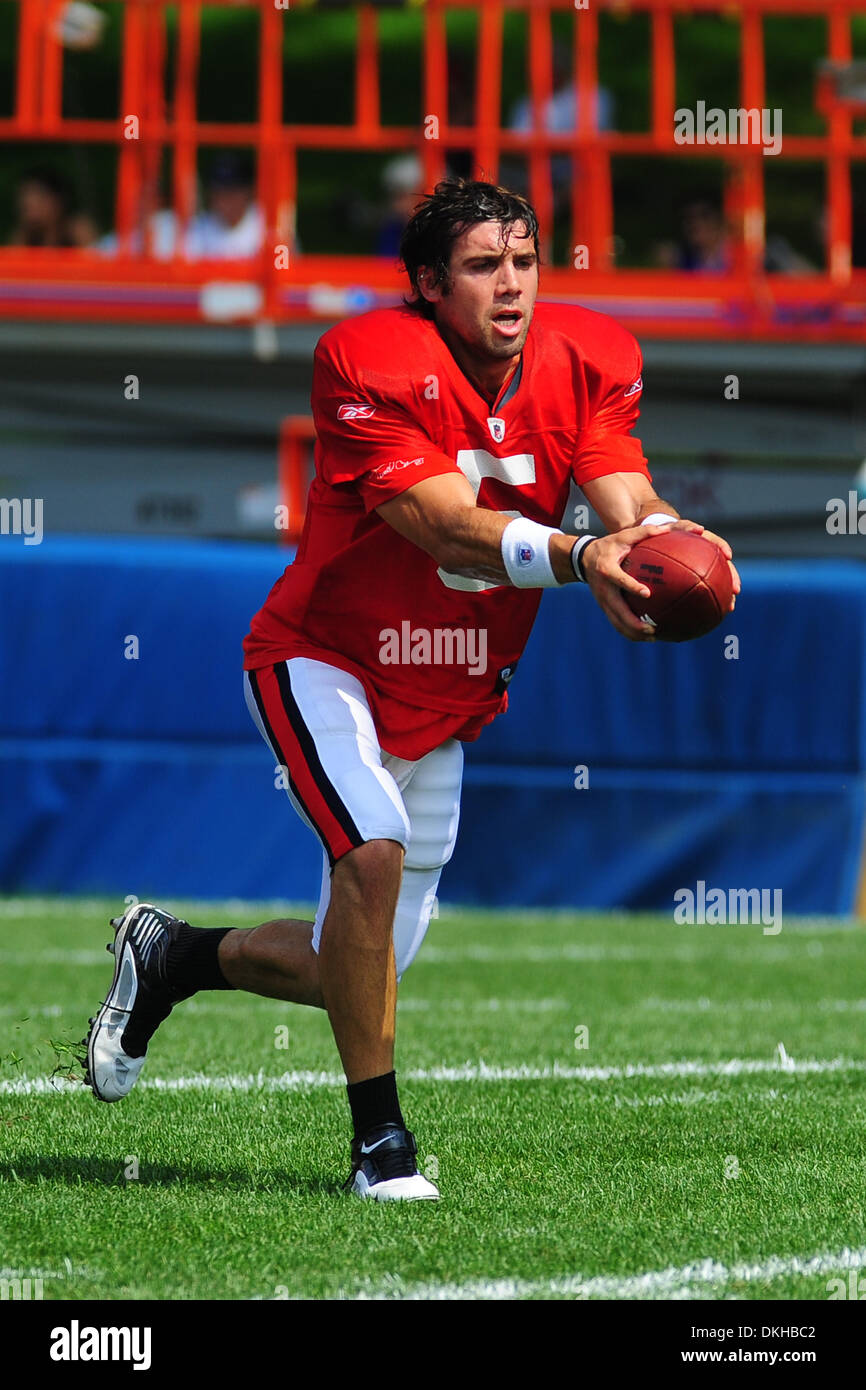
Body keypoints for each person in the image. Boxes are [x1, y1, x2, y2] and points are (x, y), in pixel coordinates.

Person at [82, 179, 739, 1202]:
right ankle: (380, 1145)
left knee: (348, 966)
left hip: (446, 695)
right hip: (323, 654)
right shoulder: (366, 358)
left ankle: (170, 955)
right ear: (428, 284)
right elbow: (438, 522)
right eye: (482, 266)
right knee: (370, 855)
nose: (510, 283)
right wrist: (579, 557)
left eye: (523, 259)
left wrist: (658, 540)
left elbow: (620, 485)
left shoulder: (589, 355)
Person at [184, 153, 264, 259]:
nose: (225, 201)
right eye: (219, 193)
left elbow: (283, 265)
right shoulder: (199, 229)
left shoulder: (267, 225)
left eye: (232, 192)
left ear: (248, 192)